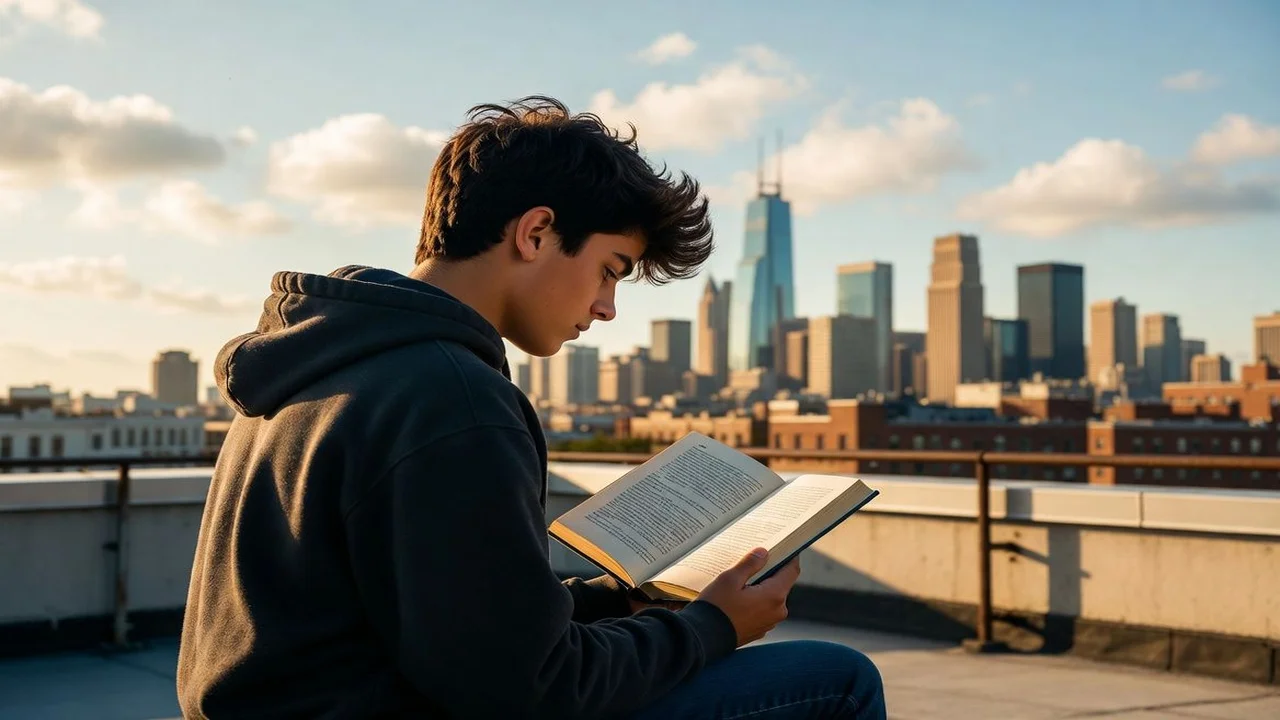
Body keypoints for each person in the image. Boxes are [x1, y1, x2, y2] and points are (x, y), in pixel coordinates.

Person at [176, 95, 886, 719]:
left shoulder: (318, 365)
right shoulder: (453, 398)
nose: (607, 308)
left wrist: (614, 601)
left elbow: (449, 619)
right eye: (609, 270)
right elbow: (533, 691)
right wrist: (713, 627)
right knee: (836, 680)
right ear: (536, 232)